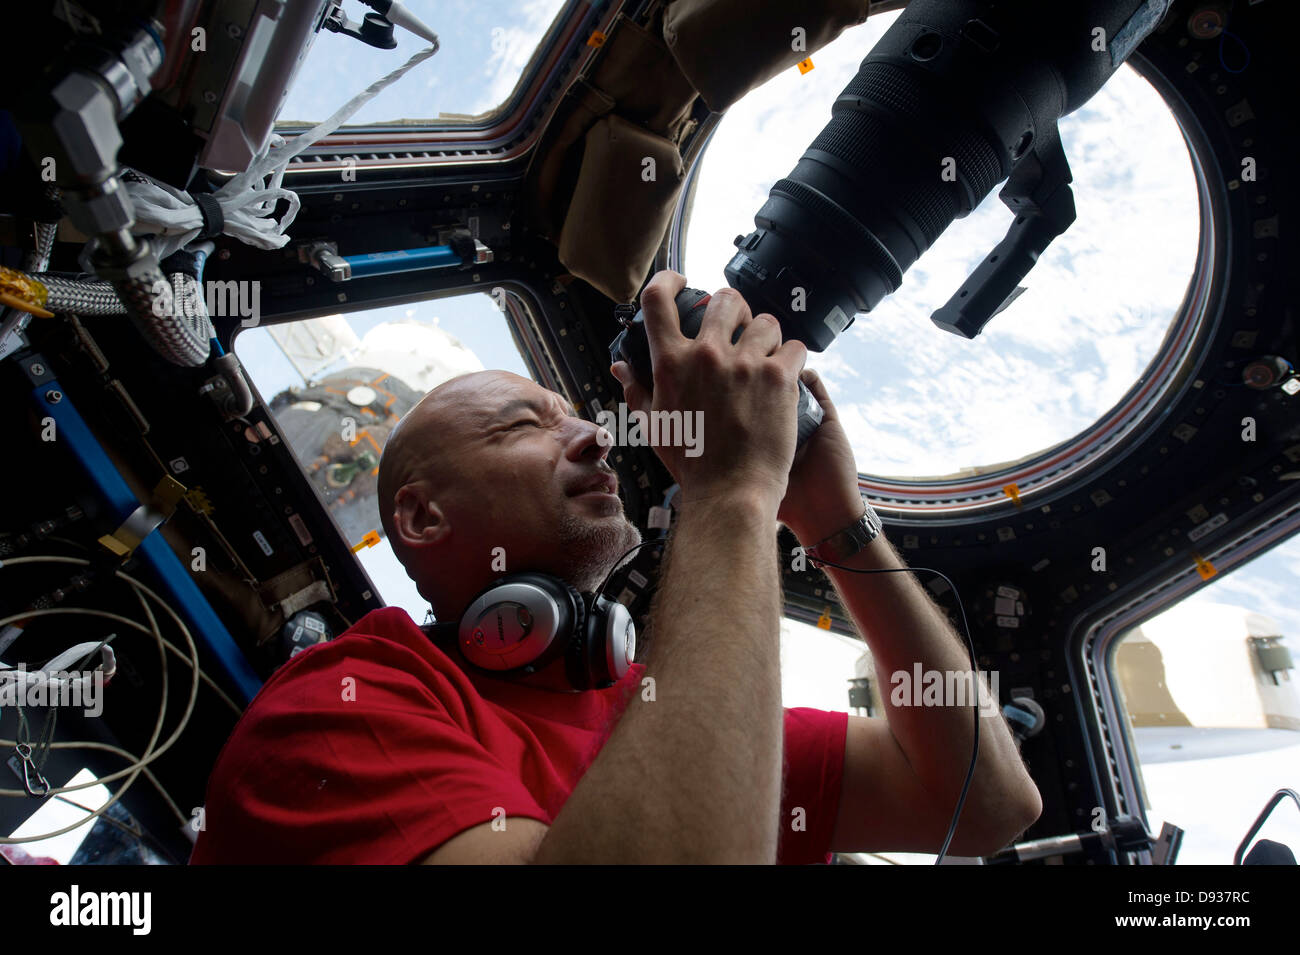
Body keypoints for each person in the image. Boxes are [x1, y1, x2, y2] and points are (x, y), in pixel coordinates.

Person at [189, 270, 1041, 864]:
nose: (596, 435)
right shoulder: (341, 704)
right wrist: (733, 492)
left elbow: (984, 803)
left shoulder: (656, 709)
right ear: (421, 515)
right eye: (527, 424)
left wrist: (833, 518)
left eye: (576, 417)